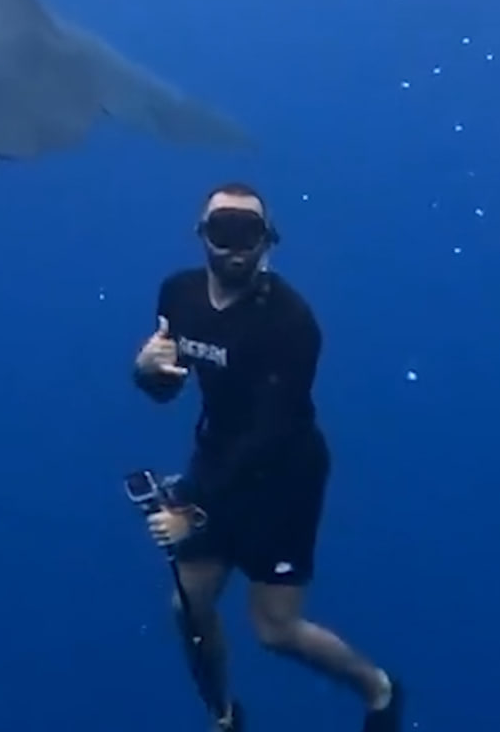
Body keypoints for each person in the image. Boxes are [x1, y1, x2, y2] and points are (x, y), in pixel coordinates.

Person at [131, 182, 405, 732]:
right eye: (223, 230)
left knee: (275, 630)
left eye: (248, 232)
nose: (236, 245)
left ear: (268, 240)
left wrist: (193, 513)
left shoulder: (290, 322)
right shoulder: (178, 296)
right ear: (201, 236)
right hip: (217, 457)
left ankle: (378, 689)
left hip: (285, 477)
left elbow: (272, 432)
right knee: (188, 607)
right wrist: (145, 372)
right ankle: (224, 716)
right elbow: (166, 388)